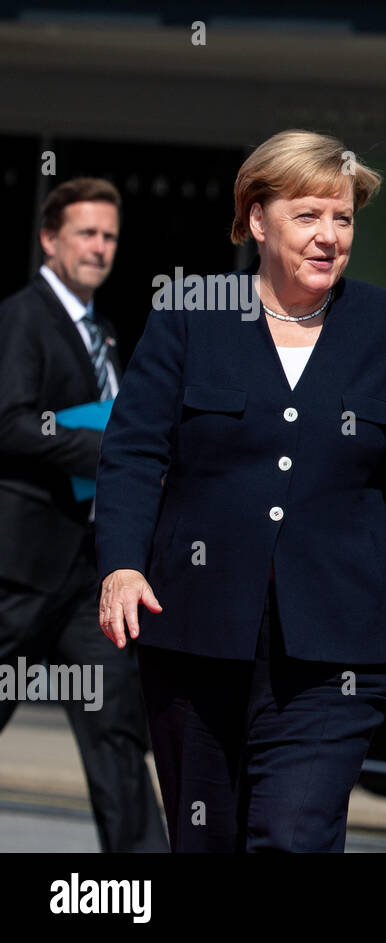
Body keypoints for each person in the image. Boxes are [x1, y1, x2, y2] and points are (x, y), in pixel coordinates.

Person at [95, 130, 386, 852]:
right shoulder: (190, 312)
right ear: (257, 219)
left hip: (339, 645)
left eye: (344, 217)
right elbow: (134, 451)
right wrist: (121, 562)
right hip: (194, 633)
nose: (330, 236)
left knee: (293, 833)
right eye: (308, 216)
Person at [0, 177, 168, 852]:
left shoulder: (102, 330)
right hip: (21, 568)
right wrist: (110, 448)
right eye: (86, 234)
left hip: (91, 574)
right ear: (50, 239)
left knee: (116, 731)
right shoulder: (24, 315)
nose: (100, 247)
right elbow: (8, 422)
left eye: (109, 236)